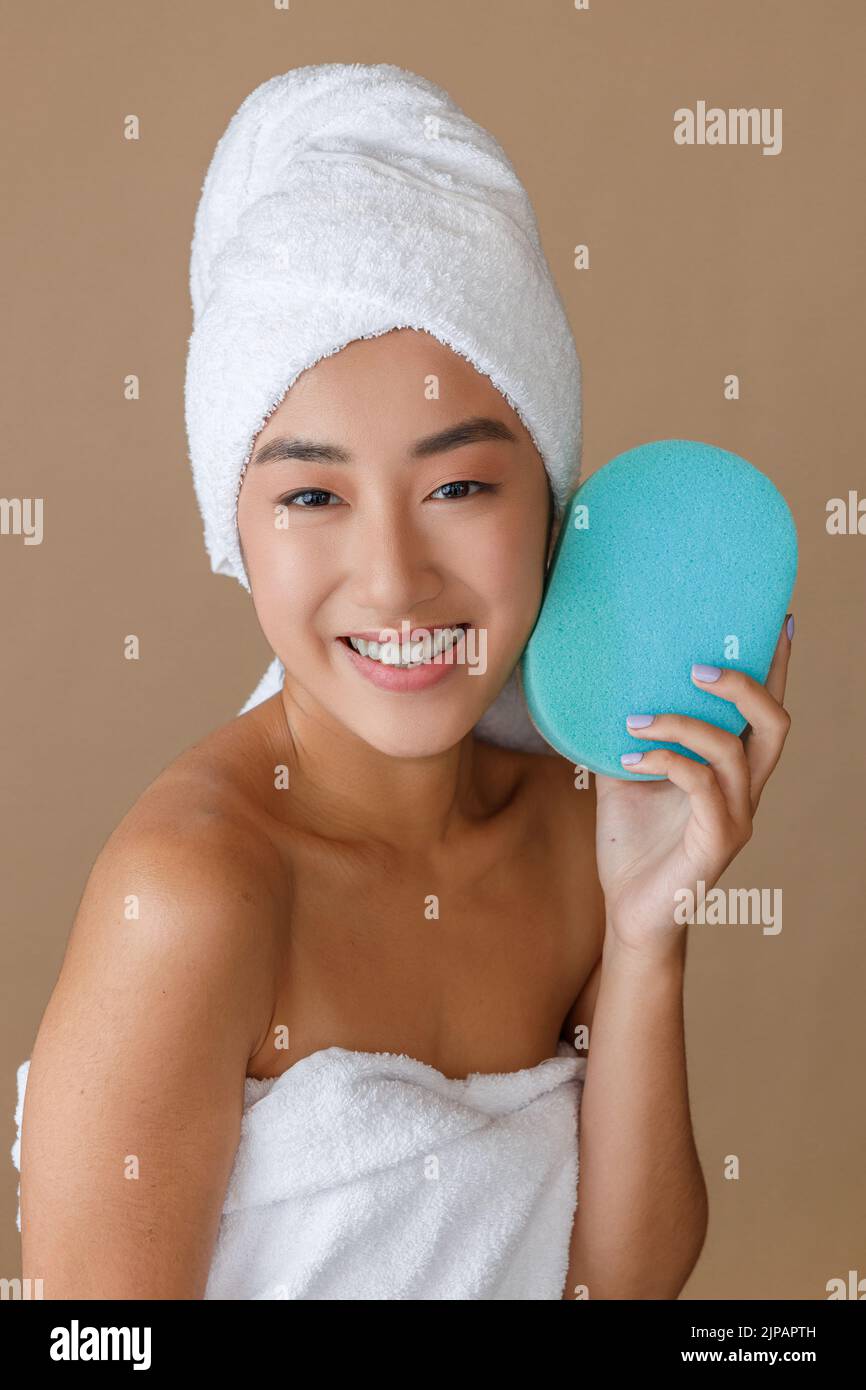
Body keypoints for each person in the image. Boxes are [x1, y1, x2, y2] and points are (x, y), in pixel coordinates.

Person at [12, 64, 794, 1301]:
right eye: (311, 496)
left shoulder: (574, 824)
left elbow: (623, 1291)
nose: (392, 580)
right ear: (236, 527)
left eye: (459, 486)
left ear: (553, 503)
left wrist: (645, 932)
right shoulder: (194, 898)